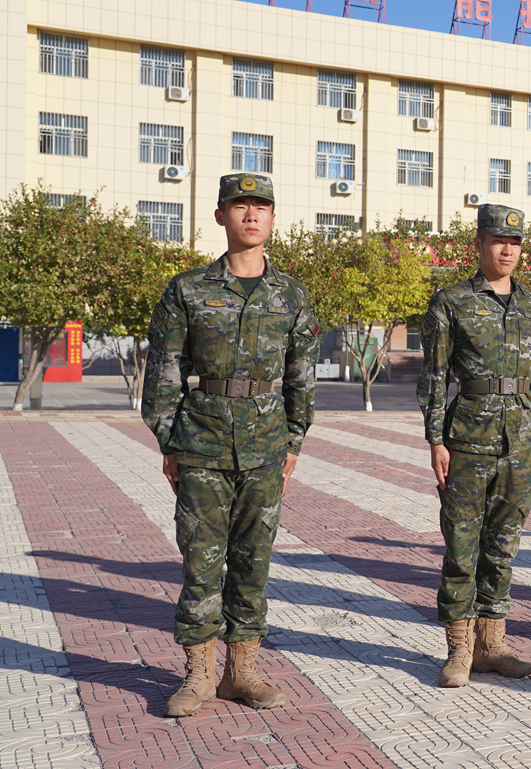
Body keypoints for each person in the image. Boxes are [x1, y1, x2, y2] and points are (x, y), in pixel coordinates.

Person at [142, 173, 319, 718]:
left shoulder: (291, 294)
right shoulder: (188, 289)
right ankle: (197, 674)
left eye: (261, 206)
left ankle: (242, 672)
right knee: (201, 561)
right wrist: (170, 440)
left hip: (265, 447)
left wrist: (292, 441)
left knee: (253, 562)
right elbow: (165, 369)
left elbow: (301, 376)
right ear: (220, 216)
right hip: (203, 445)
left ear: (272, 219)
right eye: (239, 206)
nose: (251, 215)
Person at [417, 204, 531, 687]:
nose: (507, 249)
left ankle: (491, 646)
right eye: (498, 240)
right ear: (478, 244)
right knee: (461, 545)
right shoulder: (451, 301)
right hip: (468, 439)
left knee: (503, 546)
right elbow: (433, 376)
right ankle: (458, 650)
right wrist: (436, 438)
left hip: (517, 443)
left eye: (515, 242)